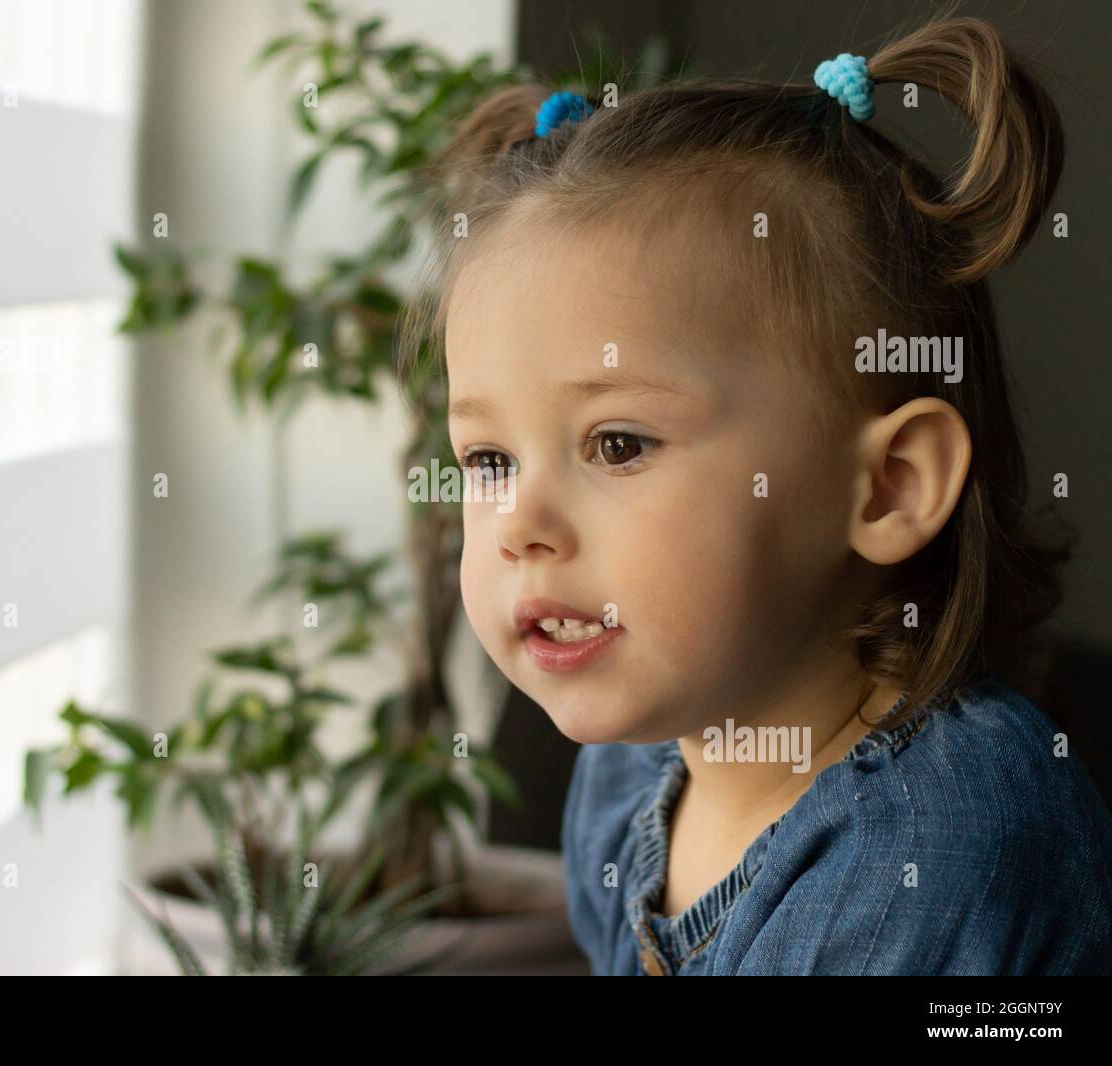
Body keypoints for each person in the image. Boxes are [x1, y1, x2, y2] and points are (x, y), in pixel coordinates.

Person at [395, 16, 1112, 974]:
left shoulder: (942, 834)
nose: (519, 523)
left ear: (889, 487)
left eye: (617, 443)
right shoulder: (632, 760)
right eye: (489, 460)